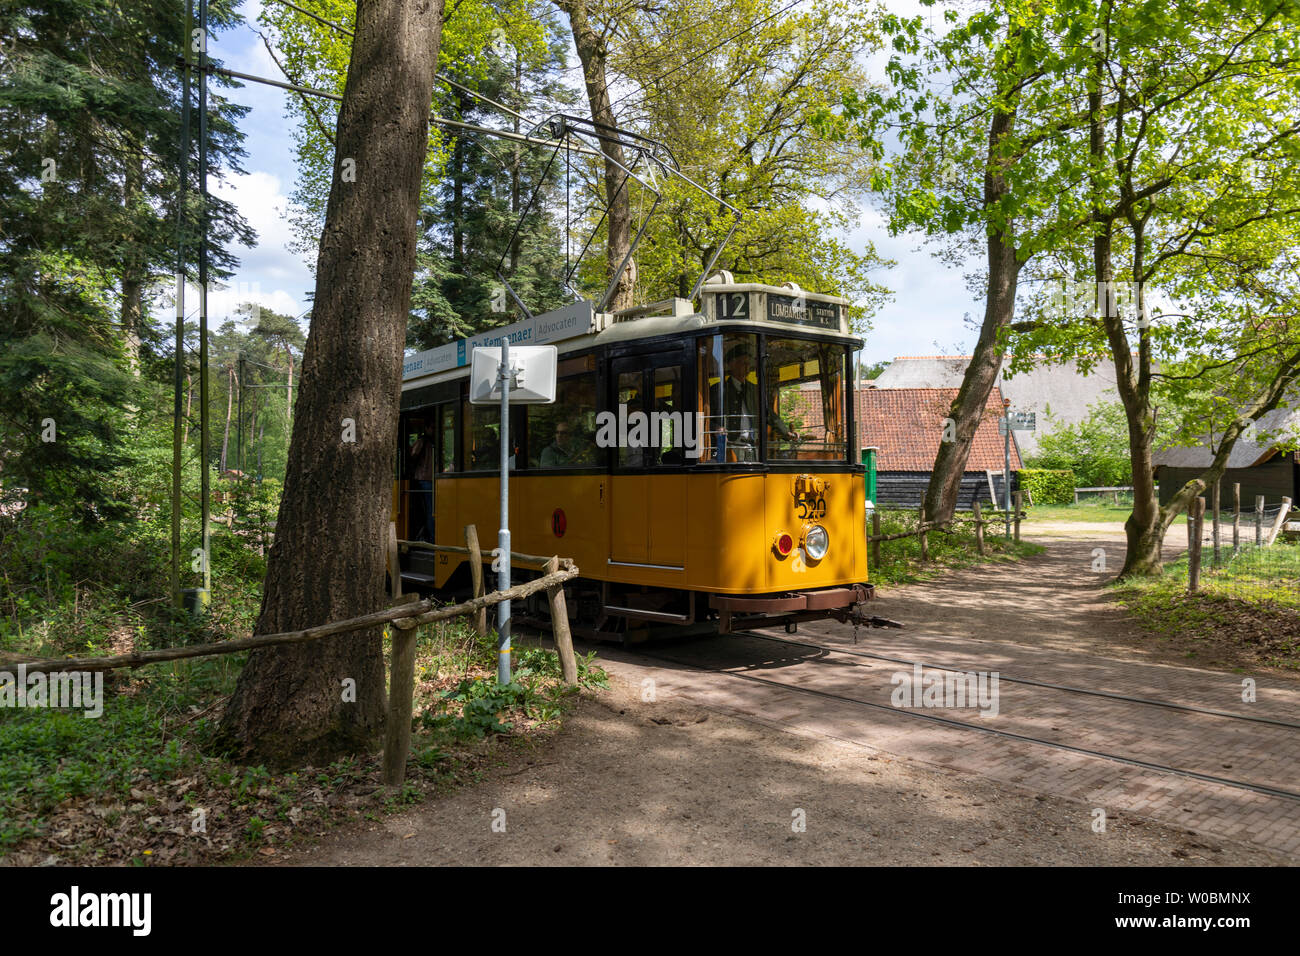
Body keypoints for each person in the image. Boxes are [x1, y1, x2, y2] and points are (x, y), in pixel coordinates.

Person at [408, 421, 436, 542]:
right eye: (432, 427)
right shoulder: (424, 441)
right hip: (425, 479)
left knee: (430, 509)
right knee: (429, 509)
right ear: (427, 428)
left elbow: (412, 454)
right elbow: (413, 454)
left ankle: (431, 536)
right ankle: (431, 537)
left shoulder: (426, 441)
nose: (434, 430)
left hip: (426, 478)